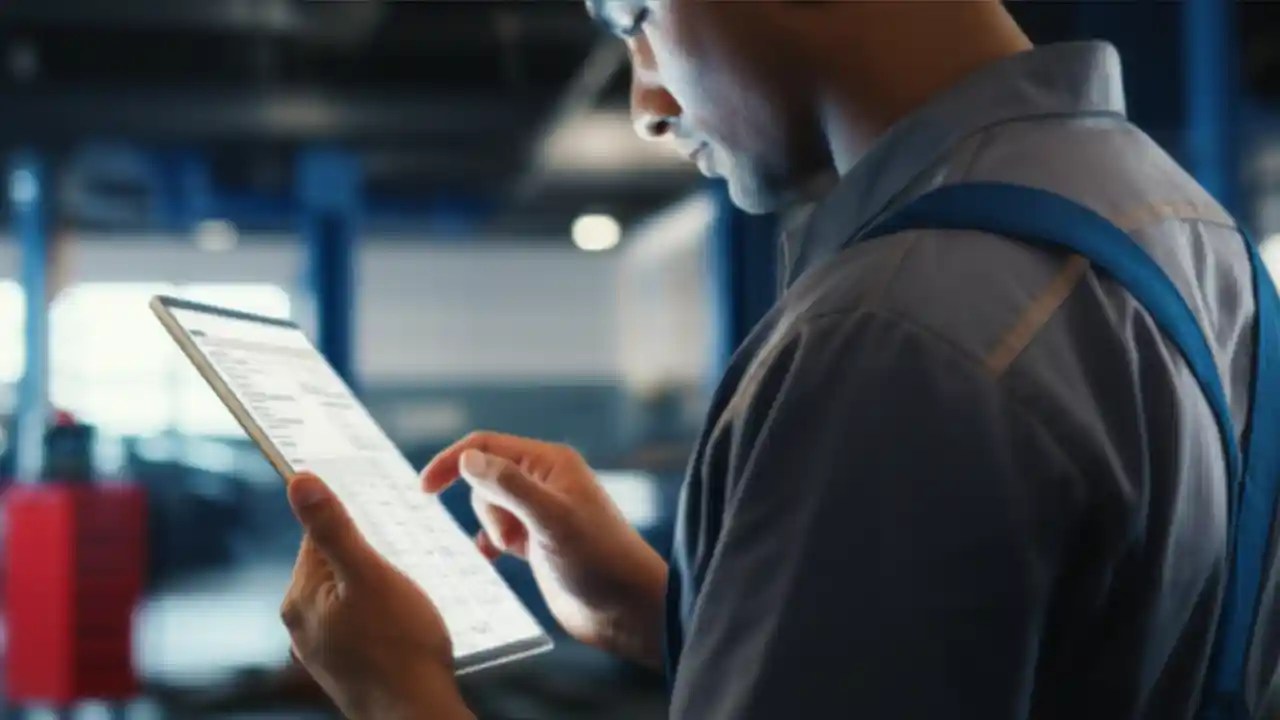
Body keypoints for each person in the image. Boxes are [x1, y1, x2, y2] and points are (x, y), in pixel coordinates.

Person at [278, 1, 1275, 718]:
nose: (645, 103)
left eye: (635, 20)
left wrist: (390, 687)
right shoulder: (1182, 224)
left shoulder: (889, 333)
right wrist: (665, 607)